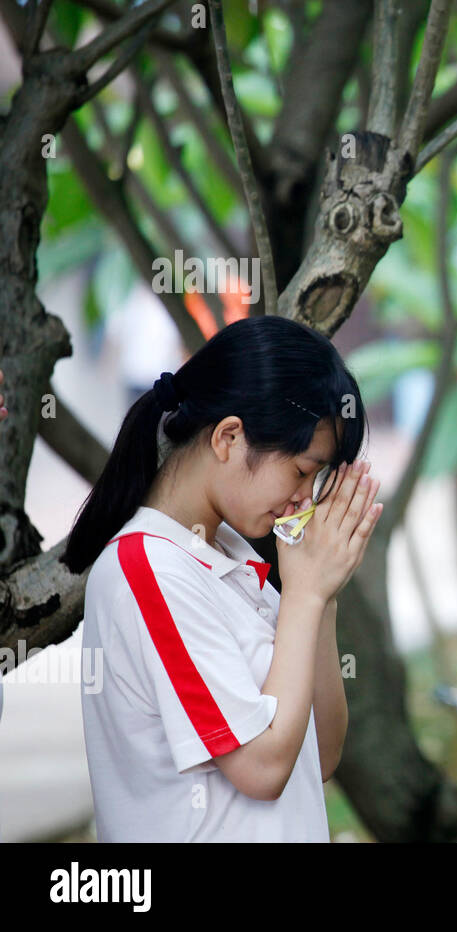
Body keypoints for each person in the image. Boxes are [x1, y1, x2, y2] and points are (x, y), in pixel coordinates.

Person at [61, 315, 383, 841]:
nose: (306, 497)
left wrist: (322, 595)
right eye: (302, 470)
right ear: (229, 438)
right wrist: (303, 594)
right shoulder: (149, 570)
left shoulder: (230, 554)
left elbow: (320, 753)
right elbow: (263, 769)